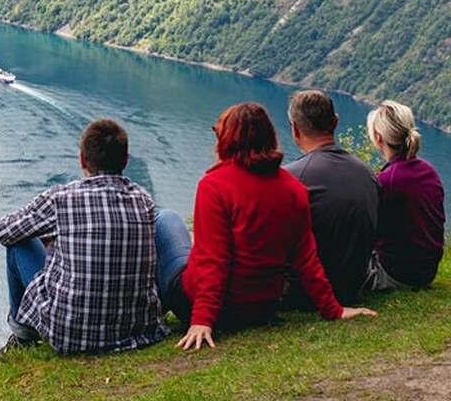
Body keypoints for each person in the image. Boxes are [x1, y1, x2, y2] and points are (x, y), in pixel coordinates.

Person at [155, 102, 376, 350]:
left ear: (228, 139)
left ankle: (147, 315)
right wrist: (332, 309)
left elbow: (213, 260)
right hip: (262, 307)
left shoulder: (215, 186)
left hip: (204, 306)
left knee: (165, 222)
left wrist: (202, 320)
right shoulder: (293, 188)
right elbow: (305, 259)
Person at [0, 117, 168, 355]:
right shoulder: (143, 201)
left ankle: (22, 337)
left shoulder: (61, 199)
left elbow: (4, 232)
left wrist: (51, 239)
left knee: (18, 244)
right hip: (136, 330)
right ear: (125, 160)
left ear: (82, 159)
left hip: (70, 334)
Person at [284, 90, 380, 304]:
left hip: (306, 293)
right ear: (335, 122)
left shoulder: (292, 177)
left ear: (295, 128)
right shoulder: (366, 172)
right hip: (354, 285)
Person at [366, 100, 446, 290]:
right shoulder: (429, 171)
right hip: (427, 271)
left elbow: (369, 230)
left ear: (378, 138)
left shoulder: (387, 180)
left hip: (397, 273)